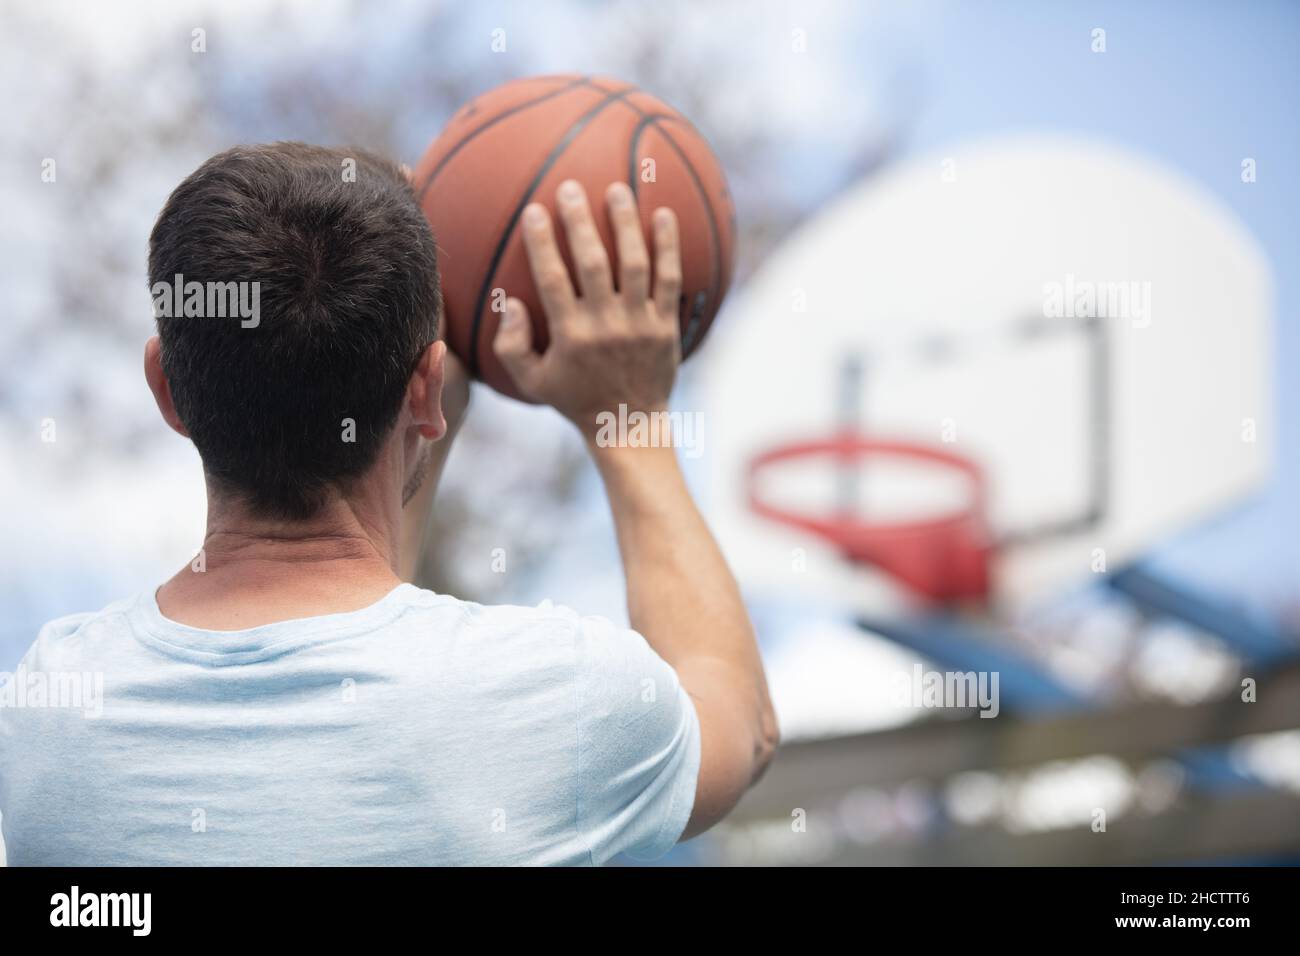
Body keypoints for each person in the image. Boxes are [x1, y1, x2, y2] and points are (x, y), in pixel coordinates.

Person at [0, 142, 778, 865]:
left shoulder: (43, 715)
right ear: (428, 388)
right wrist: (630, 418)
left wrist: (422, 401)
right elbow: (739, 719)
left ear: (166, 388)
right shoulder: (554, 696)